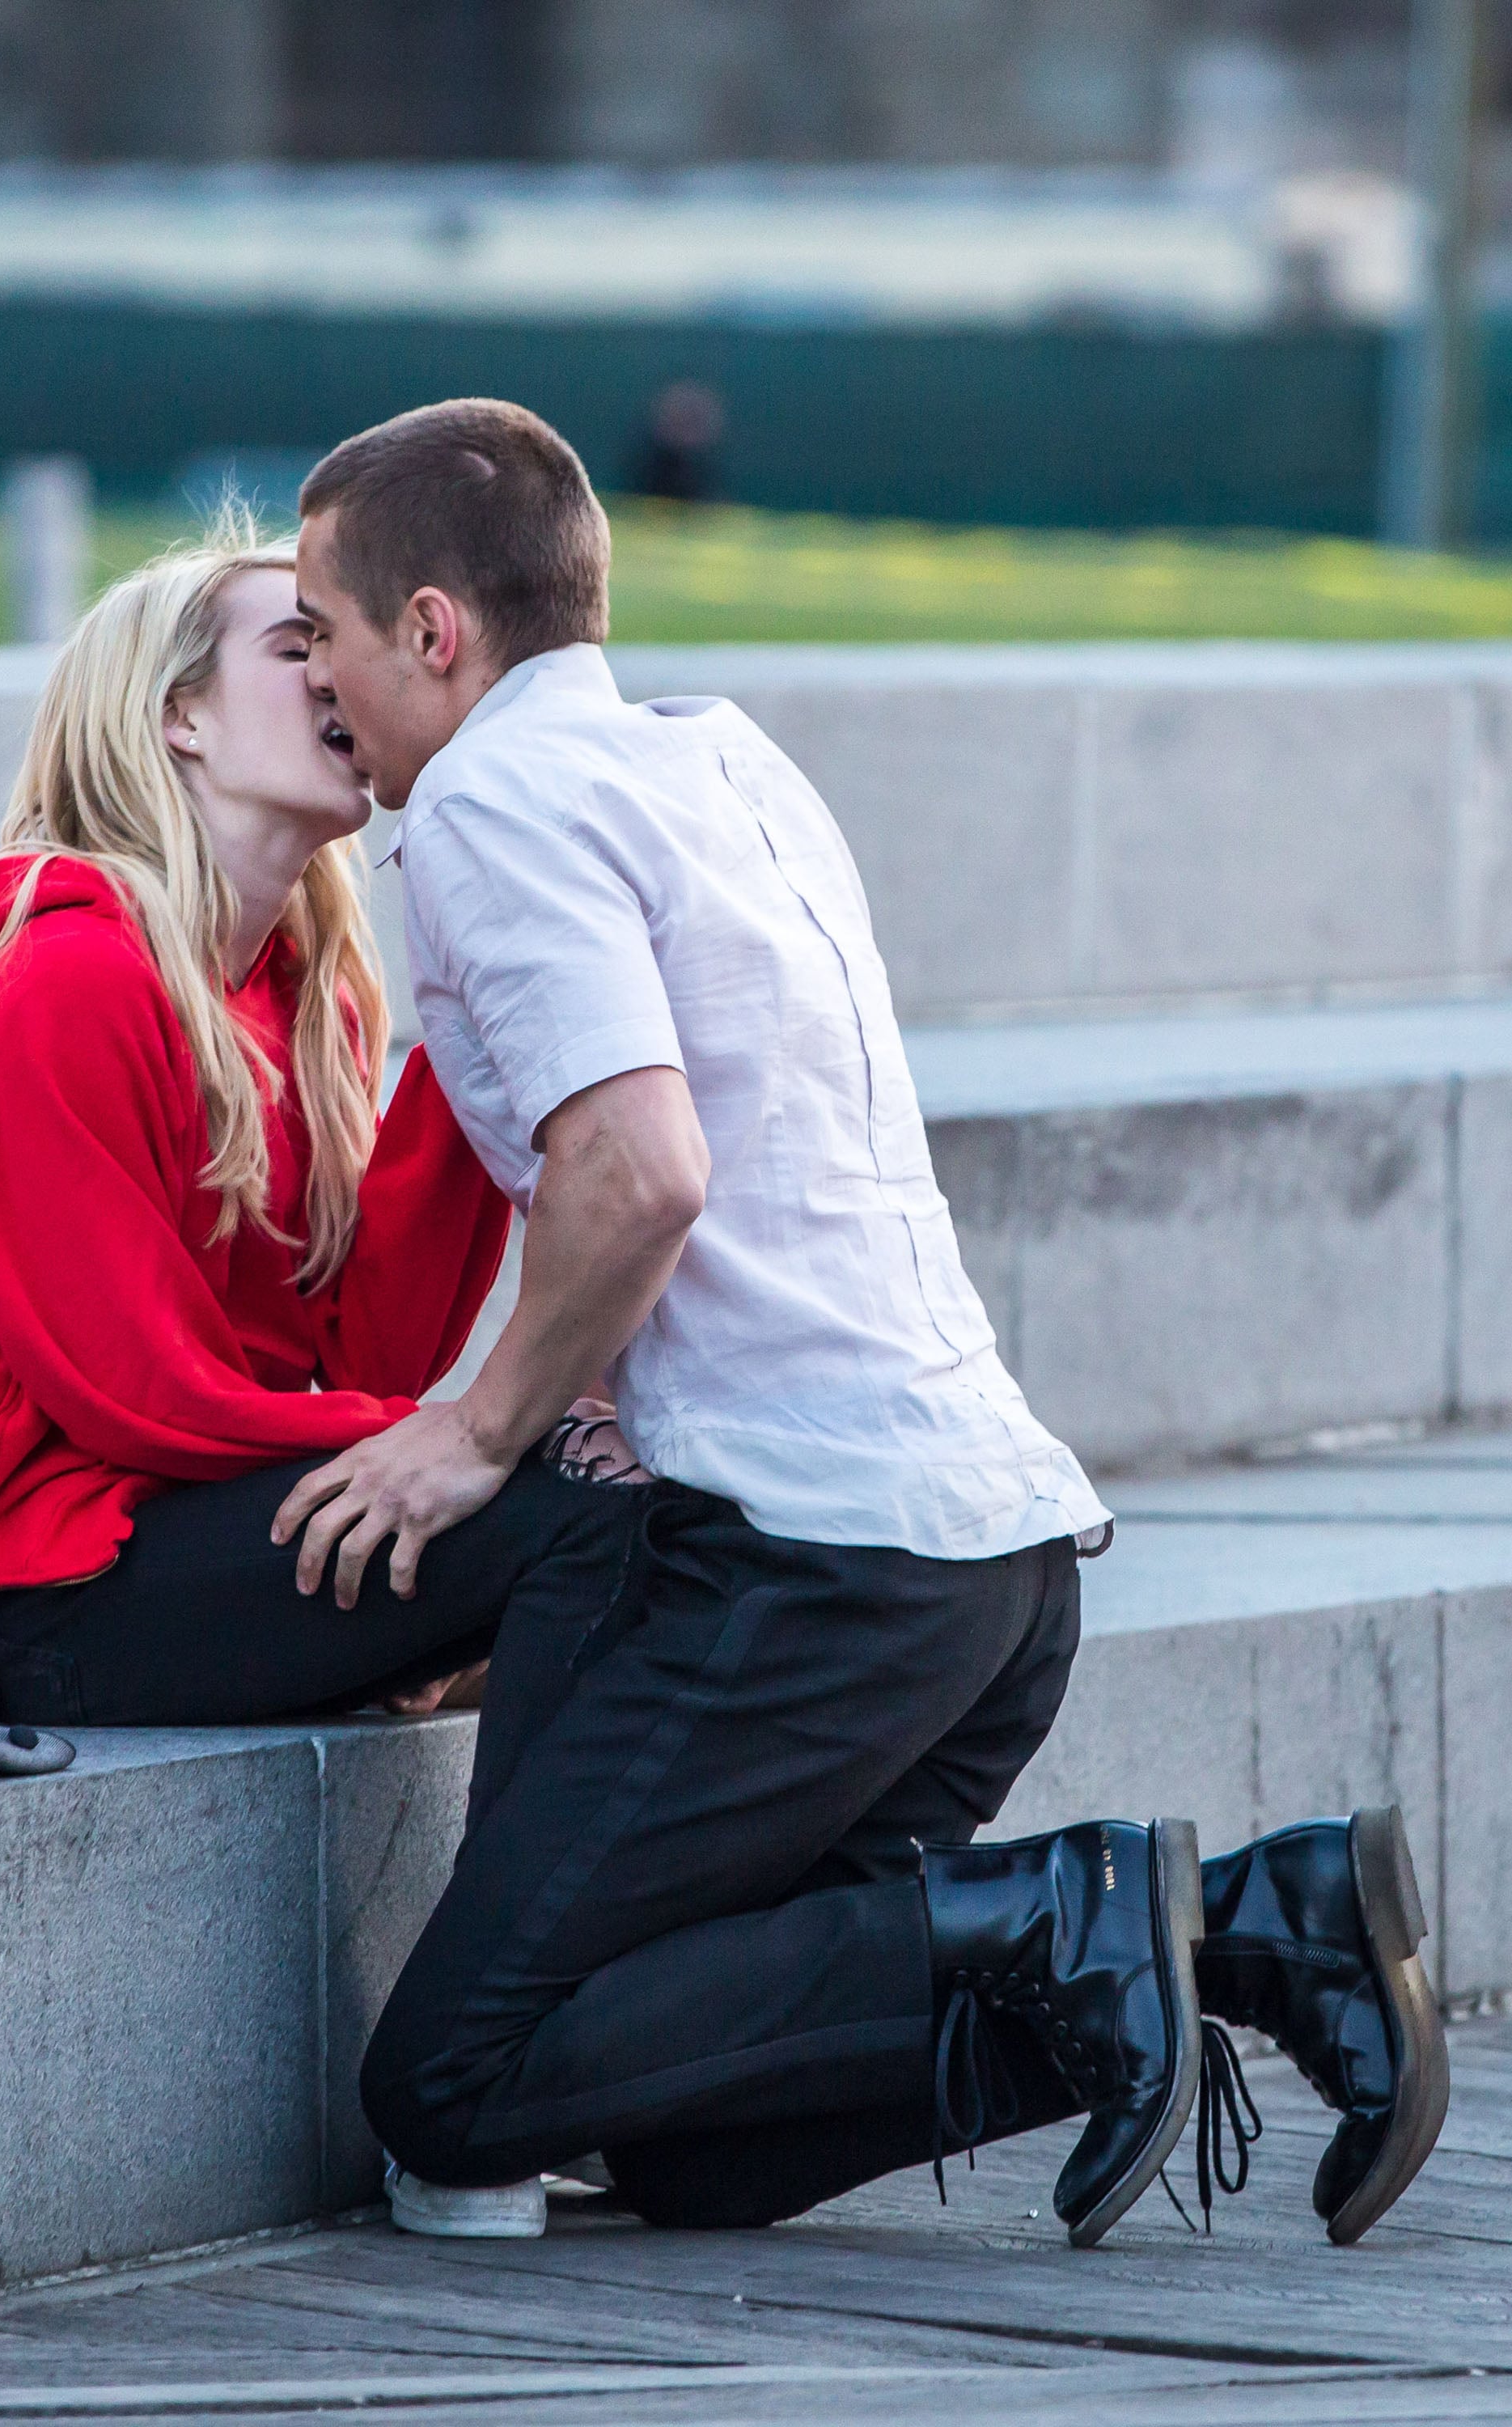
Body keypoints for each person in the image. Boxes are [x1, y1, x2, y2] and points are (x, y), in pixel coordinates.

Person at [281, 398, 1448, 2249]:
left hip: (819, 1567)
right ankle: (1241, 1929)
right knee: (691, 2148)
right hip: (987, 1564)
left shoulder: (494, 802)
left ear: (432, 630)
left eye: (322, 631)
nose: (314, 679)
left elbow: (638, 1171)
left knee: (454, 2084)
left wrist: (470, 1435)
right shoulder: (719, 757)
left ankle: (1058, 1914)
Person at [0, 522, 646, 1732]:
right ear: (181, 716)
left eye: (335, 642)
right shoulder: (59, 984)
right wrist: (471, 1432)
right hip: (42, 1583)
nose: (335, 673)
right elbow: (136, 1392)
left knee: (651, 1478)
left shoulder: (302, 1001)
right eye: (295, 645)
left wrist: (488, 1020)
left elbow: (372, 1347)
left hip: (213, 1510)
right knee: (577, 1497)